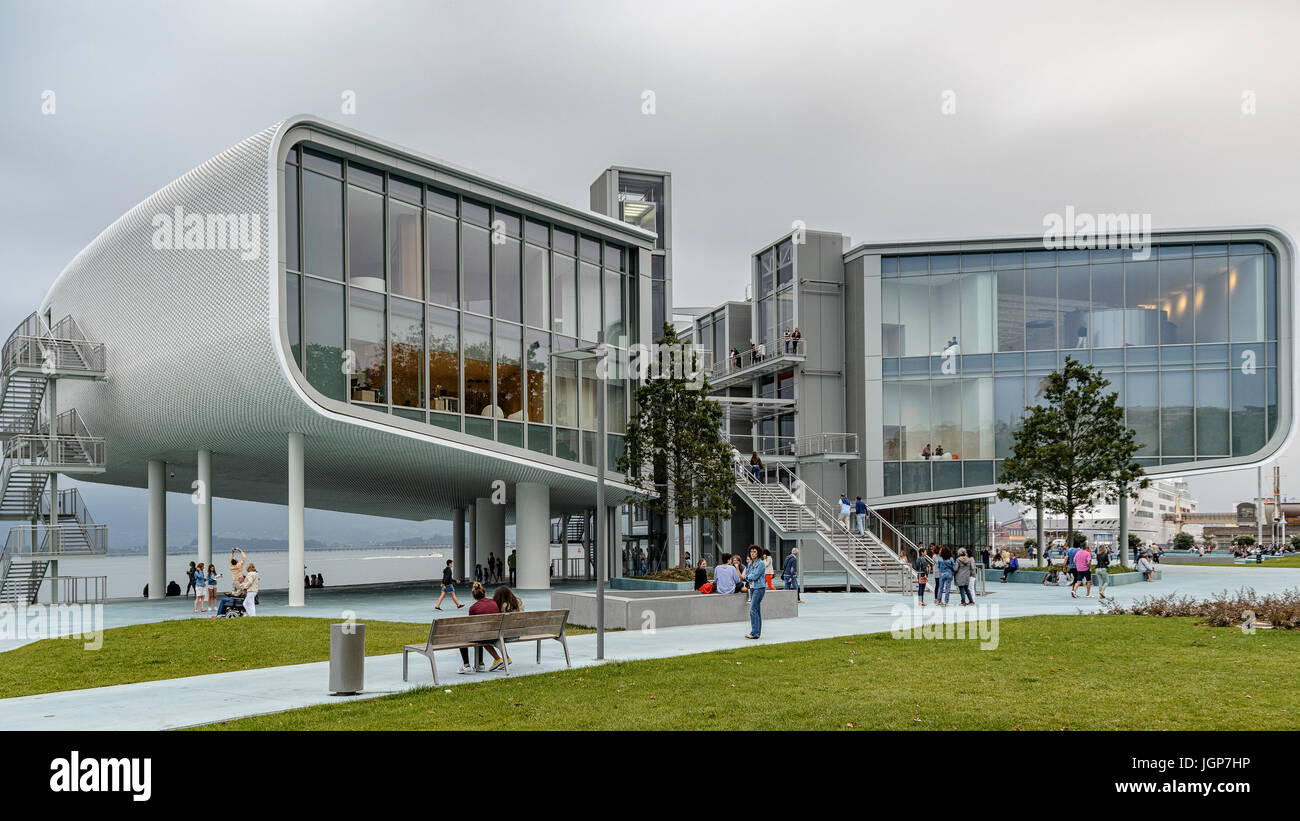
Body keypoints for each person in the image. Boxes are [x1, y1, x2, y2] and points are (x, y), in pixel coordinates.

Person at [458, 582, 506, 674]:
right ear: (485, 593)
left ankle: (466, 665)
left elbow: (473, 625)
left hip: (484, 636)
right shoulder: (494, 603)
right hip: (496, 634)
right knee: (480, 635)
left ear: (474, 596)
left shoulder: (473, 608)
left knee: (464, 636)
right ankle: (480, 663)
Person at [743, 545, 767, 639]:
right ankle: (756, 633)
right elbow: (747, 574)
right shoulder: (750, 563)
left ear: (758, 553)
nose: (752, 554)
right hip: (752, 588)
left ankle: (754, 633)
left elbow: (754, 576)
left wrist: (748, 577)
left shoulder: (761, 563)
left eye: (754, 552)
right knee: (756, 610)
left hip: (759, 588)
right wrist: (748, 576)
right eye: (751, 552)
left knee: (753, 610)